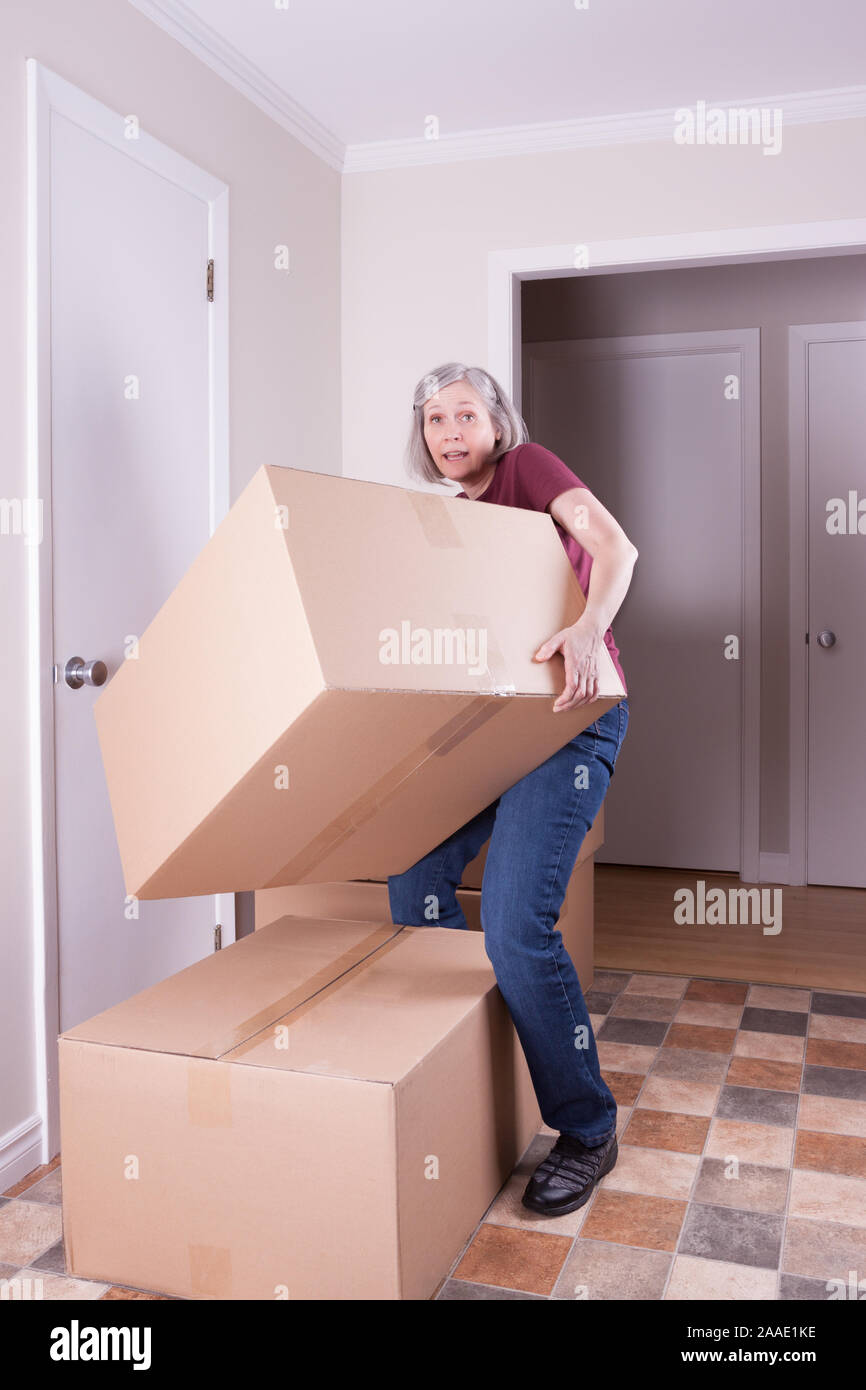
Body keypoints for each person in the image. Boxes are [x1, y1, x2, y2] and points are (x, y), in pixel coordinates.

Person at [387, 362, 638, 1218]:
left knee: (516, 925)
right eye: (433, 420)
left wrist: (586, 629)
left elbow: (615, 546)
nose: (450, 433)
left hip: (571, 721)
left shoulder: (529, 472)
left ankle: (586, 1125)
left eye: (465, 414)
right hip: (497, 730)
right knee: (412, 873)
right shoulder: (452, 521)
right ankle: (467, 1074)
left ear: (497, 422)